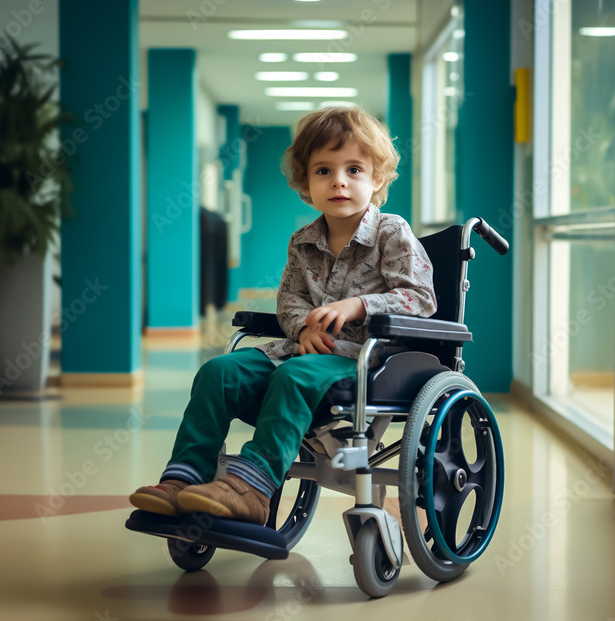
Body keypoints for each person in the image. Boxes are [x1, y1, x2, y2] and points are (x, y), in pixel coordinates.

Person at [128, 105, 437, 525]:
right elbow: (290, 299)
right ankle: (183, 479)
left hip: (367, 360)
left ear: (376, 178)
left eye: (354, 170)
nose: (339, 181)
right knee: (218, 371)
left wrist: (359, 305)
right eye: (323, 171)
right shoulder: (302, 241)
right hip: (303, 352)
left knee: (295, 376)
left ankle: (252, 487)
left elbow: (419, 298)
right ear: (306, 184)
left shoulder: (392, 232)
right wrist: (303, 327)